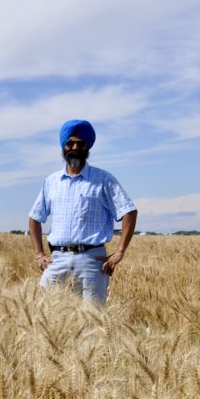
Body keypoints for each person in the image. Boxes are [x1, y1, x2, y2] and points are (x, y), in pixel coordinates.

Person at [28, 119, 137, 304]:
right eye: (70, 143)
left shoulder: (103, 179)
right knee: (44, 313)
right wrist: (39, 254)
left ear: (87, 147)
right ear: (63, 146)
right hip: (57, 259)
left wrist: (120, 252)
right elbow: (35, 217)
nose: (75, 147)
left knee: (92, 319)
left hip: (92, 261)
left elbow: (129, 211)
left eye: (80, 143)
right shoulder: (51, 181)